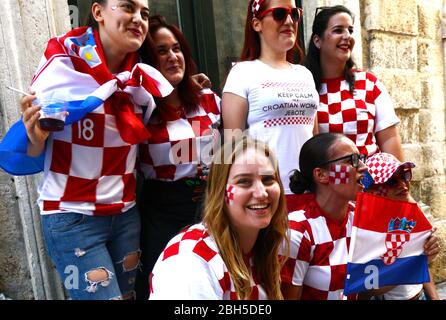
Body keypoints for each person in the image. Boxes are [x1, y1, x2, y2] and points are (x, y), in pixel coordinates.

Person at [16, 0, 173, 300]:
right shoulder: (64, 64)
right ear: (98, 12)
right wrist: (34, 135)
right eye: (128, 7)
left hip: (126, 215)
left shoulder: (140, 75)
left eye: (144, 13)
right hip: (74, 219)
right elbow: (34, 153)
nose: (138, 19)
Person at [280, 133, 439, 300]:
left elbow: (368, 288)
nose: (364, 167)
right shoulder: (298, 231)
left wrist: (419, 259)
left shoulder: (360, 220)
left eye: (361, 158)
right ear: (321, 175)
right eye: (351, 160)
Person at [135, 15, 221, 300]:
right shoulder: (141, 109)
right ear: (147, 61)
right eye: (161, 51)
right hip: (163, 213)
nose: (173, 57)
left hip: (212, 208)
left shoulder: (206, 100)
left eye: (177, 49)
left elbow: (228, 152)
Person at [149, 136, 289, 300]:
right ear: (219, 192)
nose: (262, 193)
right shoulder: (190, 259)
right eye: (244, 181)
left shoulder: (266, 247)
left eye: (268, 179)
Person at [222, 0, 319, 195]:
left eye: (295, 13)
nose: (290, 21)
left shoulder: (304, 74)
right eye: (279, 14)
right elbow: (233, 146)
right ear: (256, 23)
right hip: (265, 194)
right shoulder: (242, 73)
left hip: (309, 191)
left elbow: (314, 139)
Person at [305, 5, 403, 160]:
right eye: (338, 30)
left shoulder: (370, 84)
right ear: (317, 41)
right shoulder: (304, 87)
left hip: (368, 181)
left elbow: (390, 144)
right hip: (326, 182)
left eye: (350, 30)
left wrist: (397, 180)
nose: (347, 36)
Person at [363, 152, 441, 300]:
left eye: (404, 176)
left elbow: (423, 266)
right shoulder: (367, 230)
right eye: (392, 181)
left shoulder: (407, 216)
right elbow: (372, 288)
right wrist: (417, 261)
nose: (403, 184)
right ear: (372, 191)